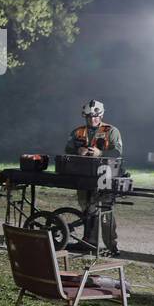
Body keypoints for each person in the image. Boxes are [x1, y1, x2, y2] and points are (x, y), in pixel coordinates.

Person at [67, 99, 123, 253]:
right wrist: (77, 151)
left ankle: (112, 247)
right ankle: (88, 243)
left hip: (105, 177)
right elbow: (68, 149)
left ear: (102, 114)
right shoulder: (77, 132)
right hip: (84, 177)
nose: (93, 119)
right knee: (87, 210)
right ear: (85, 116)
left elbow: (117, 152)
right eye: (89, 117)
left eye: (96, 116)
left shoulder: (111, 131)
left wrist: (101, 153)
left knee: (105, 211)